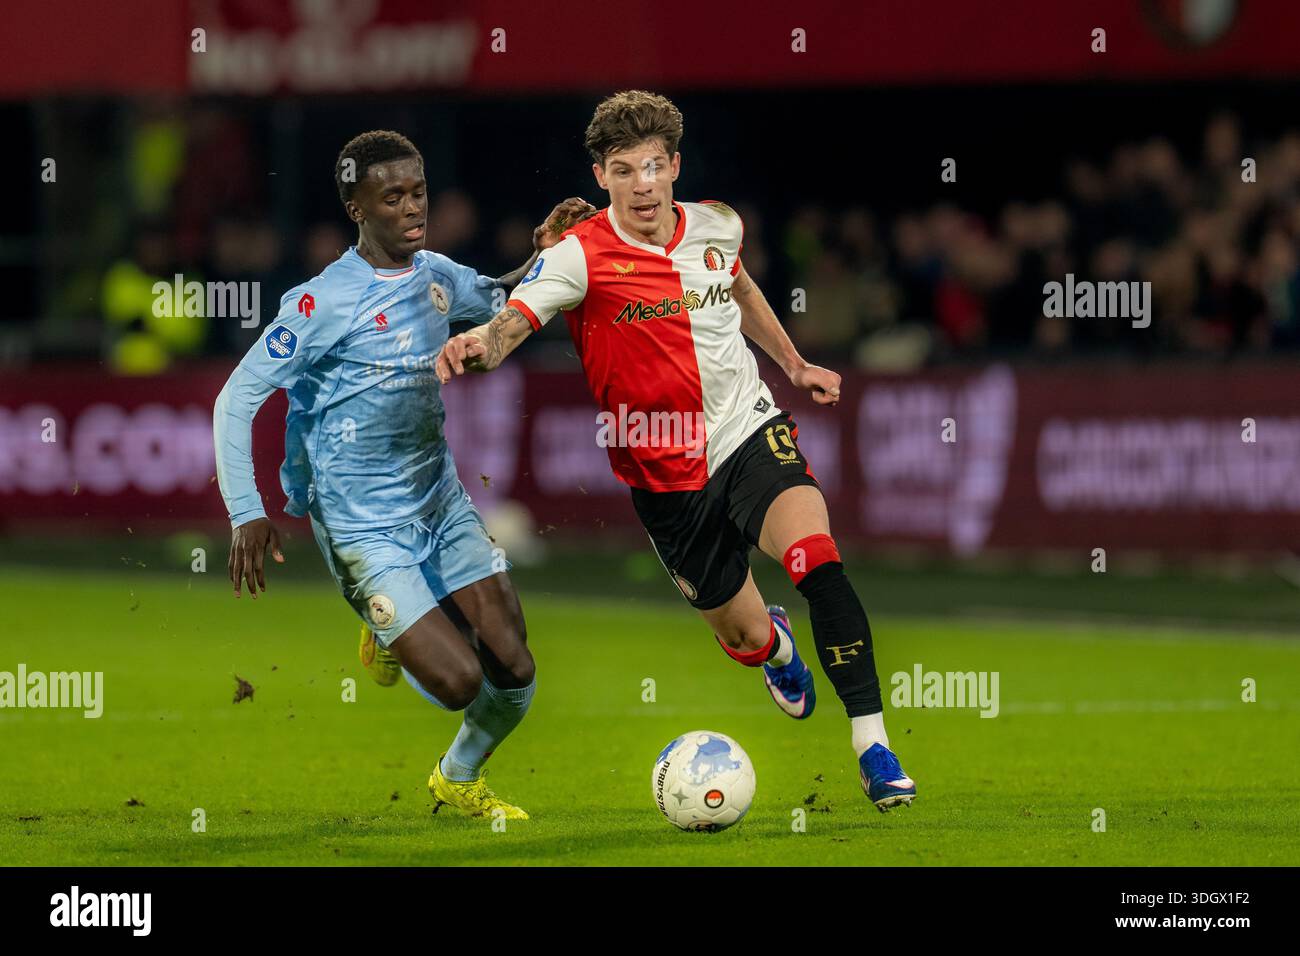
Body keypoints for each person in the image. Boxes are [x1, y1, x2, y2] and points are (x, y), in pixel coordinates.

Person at [436, 92, 916, 811]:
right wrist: (479, 345)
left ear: (675, 167)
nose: (644, 185)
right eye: (625, 170)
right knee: (746, 634)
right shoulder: (578, 256)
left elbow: (738, 283)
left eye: (655, 167)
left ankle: (874, 747)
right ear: (601, 176)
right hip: (663, 476)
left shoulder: (718, 224)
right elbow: (512, 323)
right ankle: (775, 649)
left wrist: (793, 365)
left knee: (816, 559)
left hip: (747, 432)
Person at [214, 128, 595, 820]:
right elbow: (236, 397)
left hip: (440, 501)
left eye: (418, 191)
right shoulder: (321, 301)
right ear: (356, 208)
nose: (412, 208)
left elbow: (508, 296)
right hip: (363, 527)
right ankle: (383, 622)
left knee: (516, 665)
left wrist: (549, 255)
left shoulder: (438, 276)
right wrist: (247, 509)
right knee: (457, 682)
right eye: (392, 197)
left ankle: (457, 775)